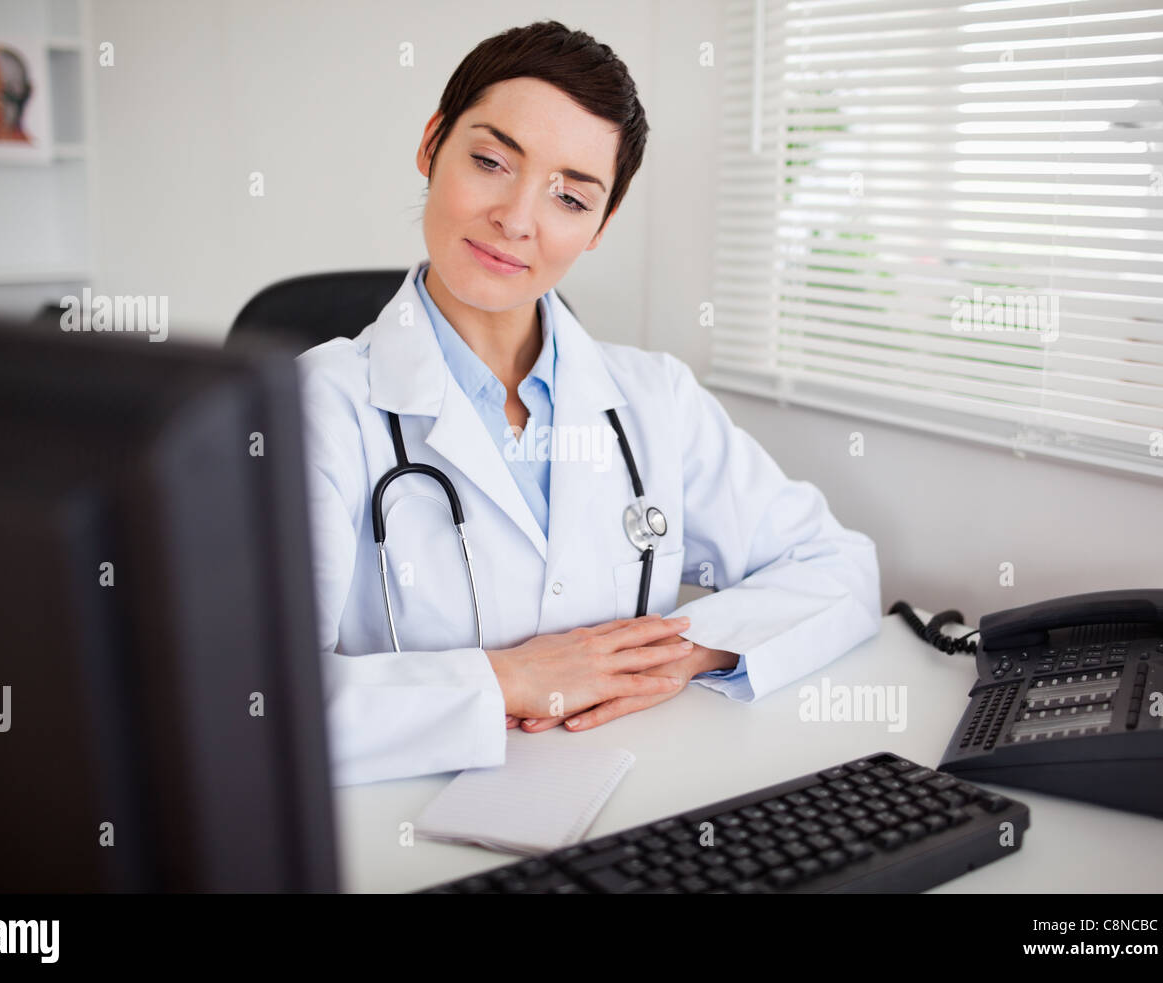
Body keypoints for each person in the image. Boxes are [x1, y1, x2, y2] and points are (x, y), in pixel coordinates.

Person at [298, 21, 881, 786]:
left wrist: (679, 653)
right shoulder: (315, 407)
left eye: (570, 196)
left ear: (601, 226)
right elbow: (248, 702)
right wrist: (508, 678)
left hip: (634, 800)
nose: (517, 218)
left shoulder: (653, 399)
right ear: (432, 144)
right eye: (489, 161)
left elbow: (839, 564)